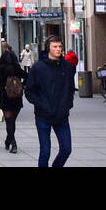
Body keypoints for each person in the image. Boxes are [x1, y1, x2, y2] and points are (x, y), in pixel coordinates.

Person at [24, 35, 75, 167]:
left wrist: (67, 105)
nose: (58, 49)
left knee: (66, 149)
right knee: (45, 152)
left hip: (62, 116)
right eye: (55, 47)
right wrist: (41, 104)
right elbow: (29, 91)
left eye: (60, 47)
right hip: (43, 116)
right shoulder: (39, 68)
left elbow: (70, 89)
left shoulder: (67, 67)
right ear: (48, 48)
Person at [0, 44, 26, 153]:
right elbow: (28, 76)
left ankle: (13, 142)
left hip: (5, 97)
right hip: (16, 97)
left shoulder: (0, 70)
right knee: (12, 122)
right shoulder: (17, 68)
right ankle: (9, 140)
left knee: (9, 121)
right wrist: (22, 86)